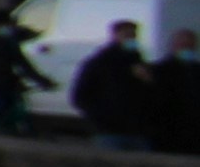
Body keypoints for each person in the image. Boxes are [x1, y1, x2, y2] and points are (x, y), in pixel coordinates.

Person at [72, 19, 159, 152]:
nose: (131, 39)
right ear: (115, 36)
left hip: (138, 129)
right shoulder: (100, 63)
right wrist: (100, 117)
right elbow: (80, 96)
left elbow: (149, 93)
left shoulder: (138, 62)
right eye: (127, 35)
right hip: (109, 130)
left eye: (133, 35)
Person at [151, 29, 200, 159]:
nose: (186, 48)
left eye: (190, 45)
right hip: (168, 131)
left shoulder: (196, 70)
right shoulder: (161, 70)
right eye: (183, 45)